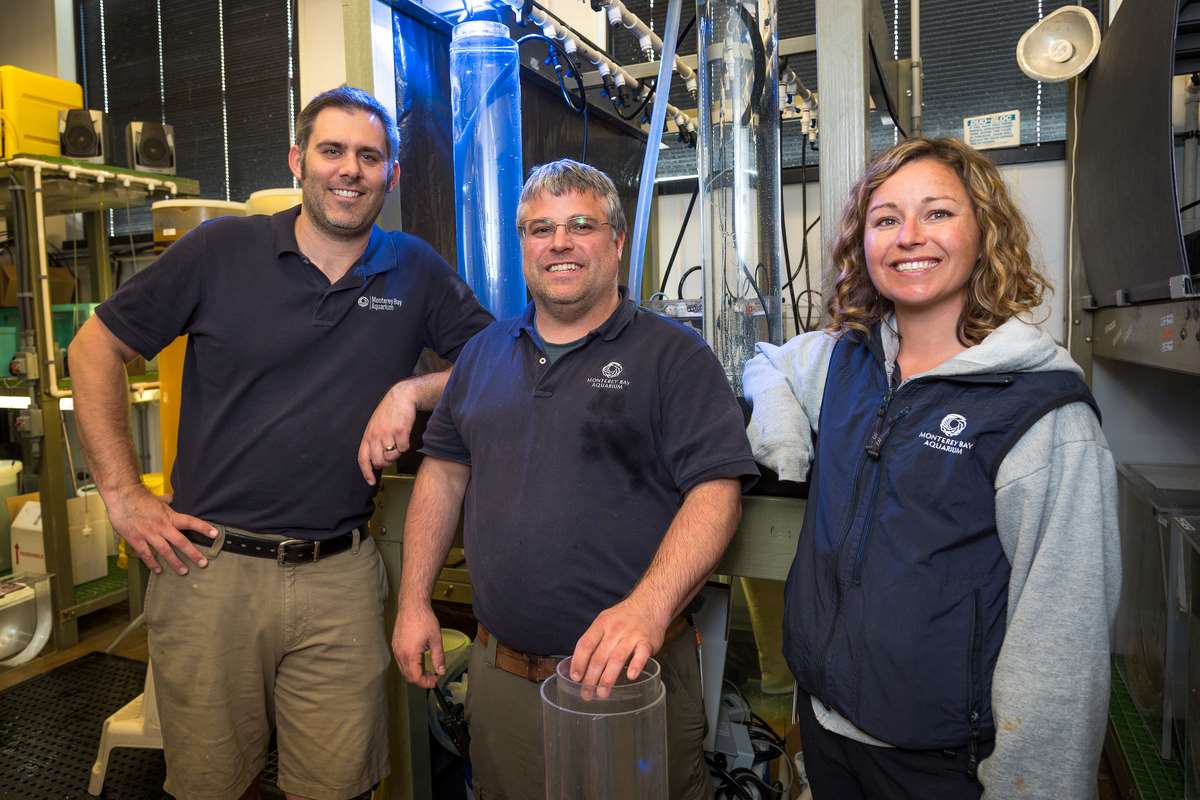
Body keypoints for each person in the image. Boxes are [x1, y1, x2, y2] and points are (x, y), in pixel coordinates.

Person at [69, 86, 492, 800]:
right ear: (299, 160)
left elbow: (492, 362)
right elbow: (94, 348)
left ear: (390, 172)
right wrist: (121, 493)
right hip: (210, 571)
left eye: (369, 156)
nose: (349, 170)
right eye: (332, 151)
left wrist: (410, 391)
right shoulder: (221, 251)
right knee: (209, 784)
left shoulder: (414, 268)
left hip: (340, 578)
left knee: (339, 785)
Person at [743, 137, 1120, 799]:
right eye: (886, 219)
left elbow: (1064, 651)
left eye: (938, 214)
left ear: (985, 232)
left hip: (945, 765)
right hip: (828, 731)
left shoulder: (1040, 414)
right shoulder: (843, 363)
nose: (909, 237)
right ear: (863, 243)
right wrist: (784, 439)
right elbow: (765, 362)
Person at [391, 159, 759, 800]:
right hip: (501, 677)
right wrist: (414, 600)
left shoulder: (673, 357)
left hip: (630, 678)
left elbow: (716, 492)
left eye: (580, 225)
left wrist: (645, 609)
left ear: (617, 243)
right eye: (539, 229)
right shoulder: (481, 356)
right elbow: (443, 475)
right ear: (524, 246)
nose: (558, 242)